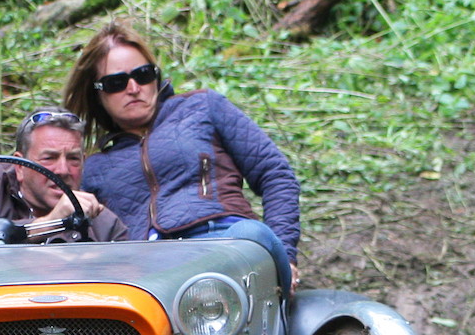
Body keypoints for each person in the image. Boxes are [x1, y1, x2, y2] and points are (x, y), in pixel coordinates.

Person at [63, 20, 300, 293]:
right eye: (116, 82)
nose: (133, 88)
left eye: (143, 75)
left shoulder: (202, 107)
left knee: (254, 236)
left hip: (226, 240)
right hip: (148, 268)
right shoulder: (94, 166)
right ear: (98, 94)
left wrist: (286, 251)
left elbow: (275, 174)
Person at [0, 108, 127, 250]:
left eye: (73, 159)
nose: (63, 170)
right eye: (49, 158)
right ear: (19, 165)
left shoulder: (104, 224)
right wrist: (49, 224)